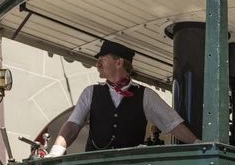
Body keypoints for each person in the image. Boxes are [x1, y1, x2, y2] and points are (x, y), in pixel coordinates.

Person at [49, 41, 198, 155]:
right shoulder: (90, 92)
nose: (97, 64)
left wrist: (198, 144)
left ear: (119, 62)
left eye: (102, 59)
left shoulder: (145, 95)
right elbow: (73, 125)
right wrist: (56, 150)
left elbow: (172, 124)